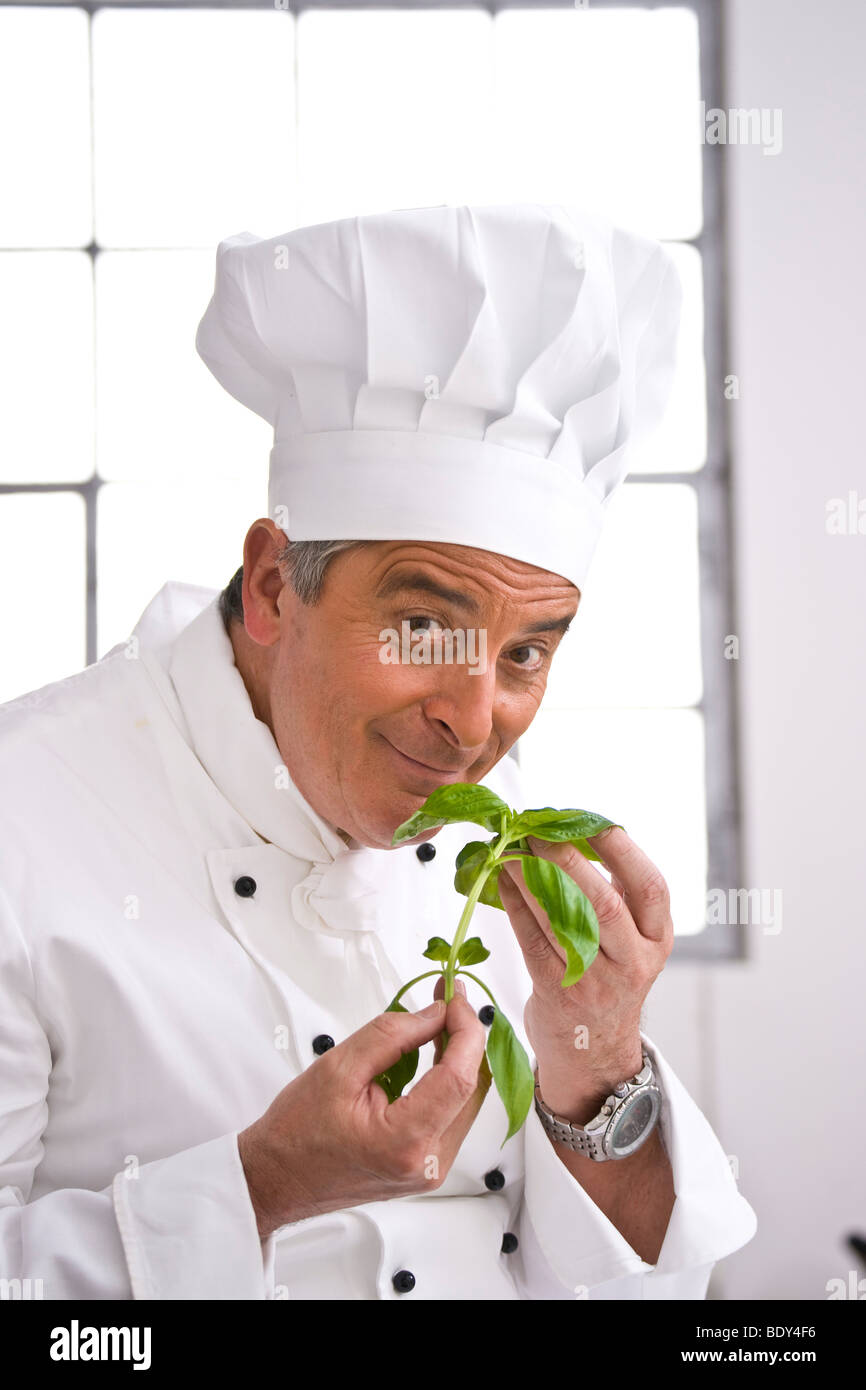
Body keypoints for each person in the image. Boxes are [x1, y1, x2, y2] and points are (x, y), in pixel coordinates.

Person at [0, 203, 756, 1299]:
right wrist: (254, 1187)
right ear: (272, 587)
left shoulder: (507, 847)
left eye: (526, 653)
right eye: (423, 628)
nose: (474, 718)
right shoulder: (27, 815)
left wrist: (599, 1073)